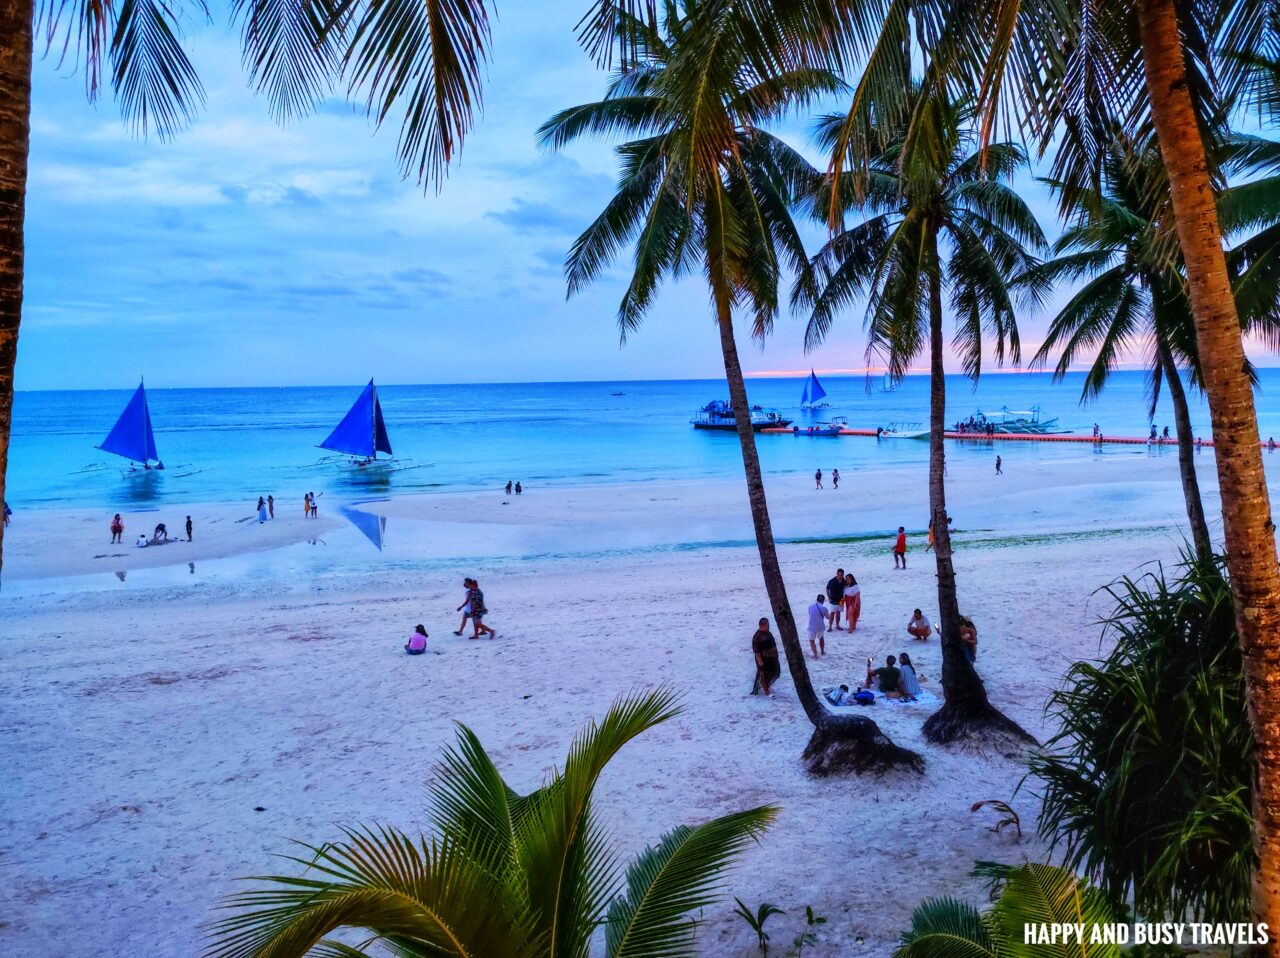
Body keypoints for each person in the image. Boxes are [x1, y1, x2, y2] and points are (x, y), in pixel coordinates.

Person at [751, 617, 781, 697]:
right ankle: (766, 691)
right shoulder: (757, 637)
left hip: (772, 658)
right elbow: (756, 650)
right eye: (767, 625)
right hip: (764, 659)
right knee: (764, 674)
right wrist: (760, 660)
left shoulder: (768, 633)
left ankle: (765, 686)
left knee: (776, 673)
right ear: (762, 626)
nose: (769, 626)